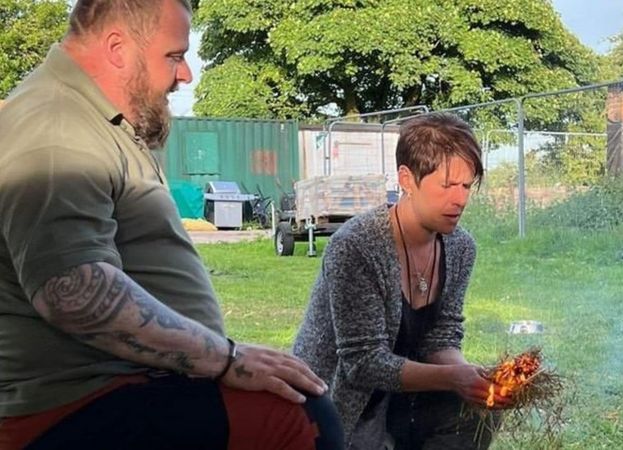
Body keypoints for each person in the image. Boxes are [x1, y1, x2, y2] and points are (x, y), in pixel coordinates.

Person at [0, 1, 343, 449]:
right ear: (118, 47)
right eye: (175, 56)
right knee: (297, 417)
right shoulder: (57, 127)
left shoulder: (94, 120)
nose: (186, 76)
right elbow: (72, 289)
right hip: (74, 404)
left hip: (123, 387)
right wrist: (225, 358)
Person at [293, 113, 507, 449]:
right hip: (338, 403)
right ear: (407, 179)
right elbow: (362, 364)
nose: (461, 199)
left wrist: (474, 380)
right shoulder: (357, 245)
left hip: (404, 397)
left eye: (467, 186)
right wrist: (454, 378)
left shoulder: (460, 246)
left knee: (479, 410)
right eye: (447, 185)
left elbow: (441, 337)